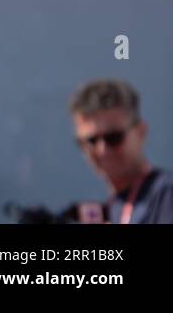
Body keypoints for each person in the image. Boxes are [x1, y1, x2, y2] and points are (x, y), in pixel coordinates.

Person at [70, 78, 173, 224]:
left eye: (113, 138)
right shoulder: (112, 207)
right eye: (91, 141)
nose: (102, 150)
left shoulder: (165, 195)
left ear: (140, 132)